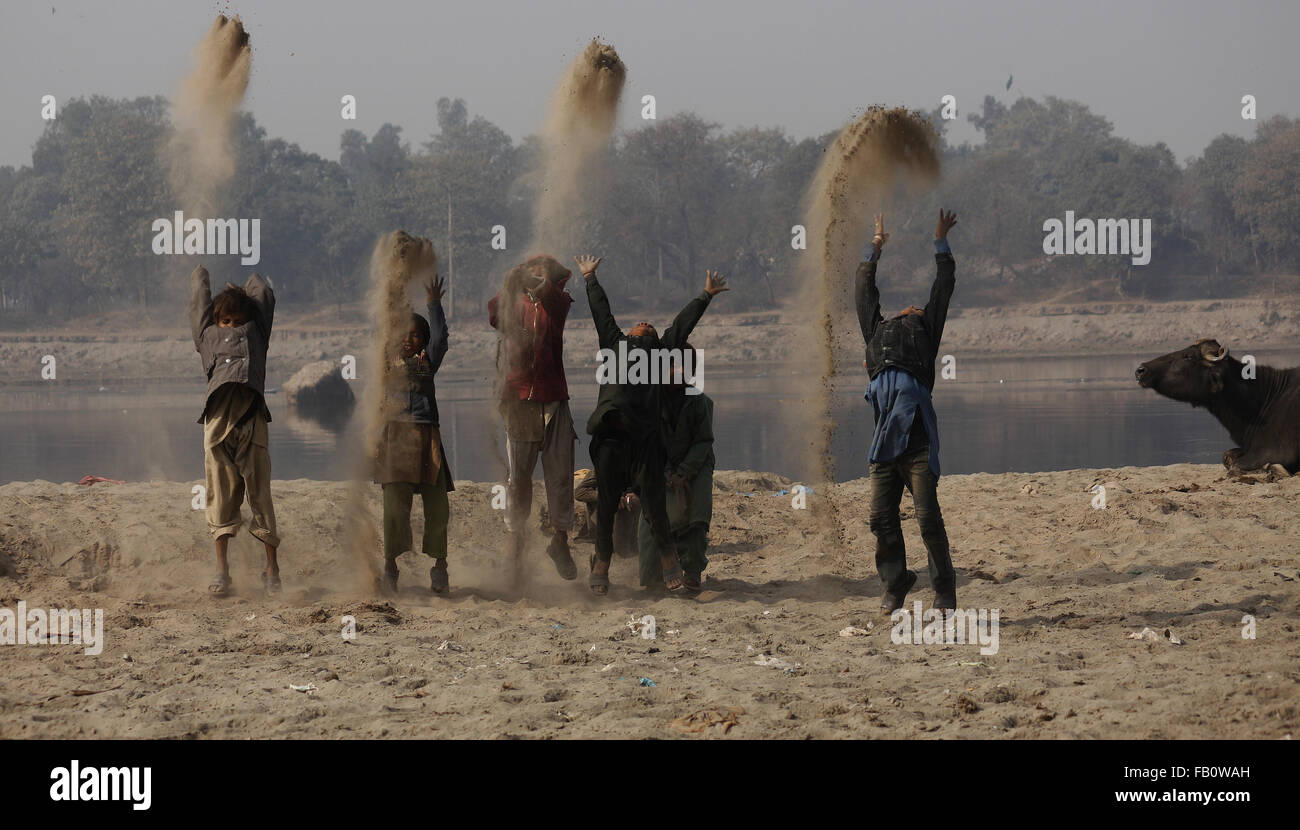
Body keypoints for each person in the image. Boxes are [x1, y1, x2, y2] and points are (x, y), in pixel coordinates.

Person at [581, 254, 728, 594]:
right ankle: (602, 563)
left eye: (648, 323)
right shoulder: (614, 345)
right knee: (606, 504)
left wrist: (705, 295)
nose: (645, 322)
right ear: (628, 334)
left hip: (645, 442)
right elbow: (601, 313)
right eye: (640, 323)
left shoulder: (663, 352)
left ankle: (668, 559)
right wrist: (590, 278)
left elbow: (682, 325)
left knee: (654, 504)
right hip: (611, 438)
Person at [857, 209, 959, 615]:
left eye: (919, 307)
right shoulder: (876, 331)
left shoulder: (926, 331)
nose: (914, 306)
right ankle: (896, 584)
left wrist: (940, 241)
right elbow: (864, 288)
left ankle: (945, 592)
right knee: (880, 520)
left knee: (928, 519)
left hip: (916, 440)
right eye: (909, 306)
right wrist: (875, 246)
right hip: (883, 443)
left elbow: (944, 287)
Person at [189, 266, 279, 597]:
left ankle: (272, 570)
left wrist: (243, 288)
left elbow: (264, 295)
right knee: (220, 497)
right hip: (217, 425)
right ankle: (222, 572)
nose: (230, 326)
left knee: (260, 496)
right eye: (225, 320)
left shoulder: (257, 333)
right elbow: (200, 306)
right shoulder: (206, 337)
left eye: (236, 319)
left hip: (252, 421)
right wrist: (201, 275)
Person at [488, 255, 579, 580]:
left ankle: (560, 540)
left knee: (560, 475)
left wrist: (535, 283)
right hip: (518, 399)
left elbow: (553, 300)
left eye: (543, 273)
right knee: (519, 478)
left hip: (554, 400)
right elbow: (493, 314)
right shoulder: (511, 303)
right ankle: (515, 539)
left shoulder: (559, 301)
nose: (537, 277)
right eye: (532, 271)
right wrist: (510, 281)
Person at [375, 274, 453, 594]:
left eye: (415, 335)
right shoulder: (387, 362)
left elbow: (441, 338)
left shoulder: (428, 362)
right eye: (404, 335)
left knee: (438, 504)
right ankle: (390, 566)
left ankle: (440, 566)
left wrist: (433, 304)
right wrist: (393, 294)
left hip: (426, 436)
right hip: (396, 436)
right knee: (394, 503)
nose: (409, 339)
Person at [637, 343, 714, 590]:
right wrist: (666, 471)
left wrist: (685, 472)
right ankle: (652, 577)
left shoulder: (699, 402)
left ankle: (692, 571)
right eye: (673, 364)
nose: (679, 370)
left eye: (685, 366)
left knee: (696, 516)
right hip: (658, 466)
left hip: (696, 465)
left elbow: (703, 441)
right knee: (651, 519)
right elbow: (646, 442)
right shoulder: (648, 402)